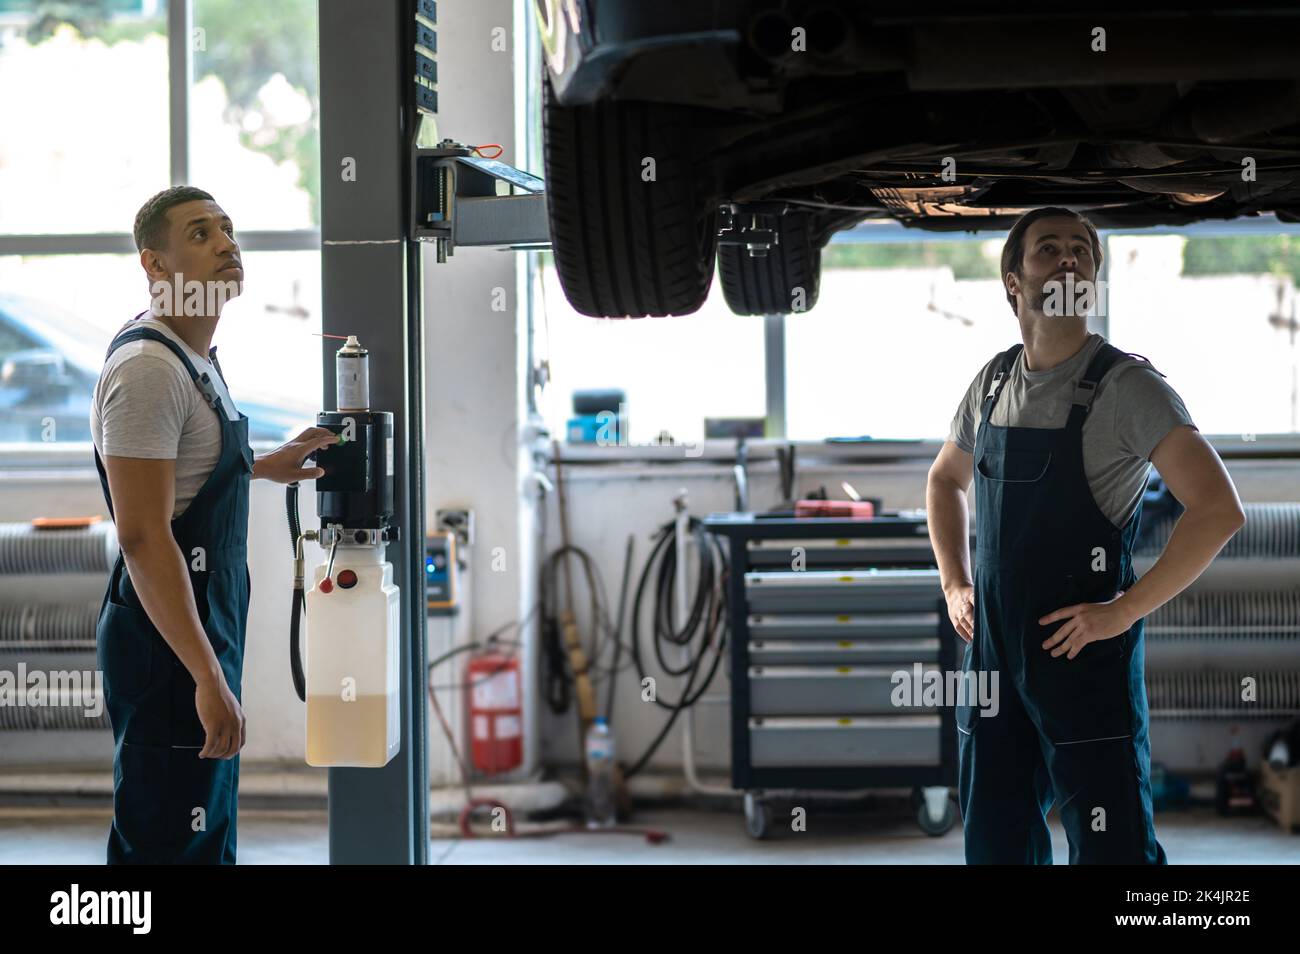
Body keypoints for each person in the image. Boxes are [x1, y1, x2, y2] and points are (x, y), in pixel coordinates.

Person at [925, 206, 1246, 864]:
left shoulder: (1129, 388)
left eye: (1081, 250)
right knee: (995, 841)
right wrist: (954, 581)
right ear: (1014, 281)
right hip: (992, 664)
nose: (1069, 259)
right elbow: (943, 481)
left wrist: (1122, 612)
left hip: (1084, 663)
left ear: (1095, 277)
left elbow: (1218, 510)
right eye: (1048, 249)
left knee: (1112, 848)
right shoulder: (991, 383)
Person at [91, 185, 337, 864]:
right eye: (199, 234)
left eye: (227, 229)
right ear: (155, 263)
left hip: (202, 627)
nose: (226, 243)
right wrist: (204, 675)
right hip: (167, 642)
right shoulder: (148, 371)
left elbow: (186, 468)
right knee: (170, 841)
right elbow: (143, 536)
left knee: (202, 827)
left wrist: (262, 464)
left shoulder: (193, 357)